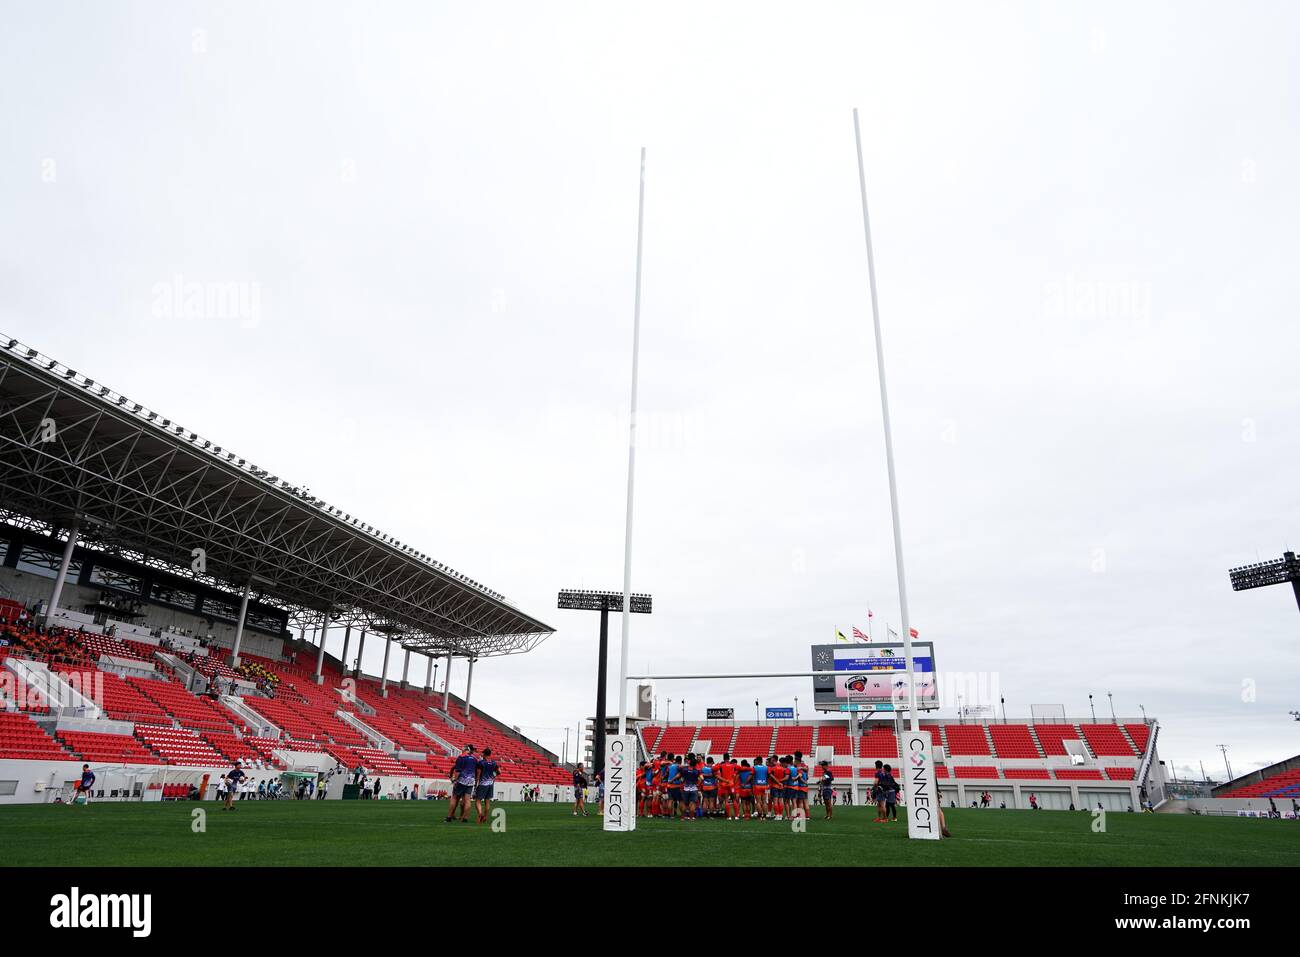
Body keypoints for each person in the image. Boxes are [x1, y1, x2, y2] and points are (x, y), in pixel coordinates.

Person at [445, 746, 477, 822]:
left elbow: (457, 771)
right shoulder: (474, 759)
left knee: (454, 798)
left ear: (464, 750)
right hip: (471, 781)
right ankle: (465, 818)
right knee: (468, 800)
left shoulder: (461, 757)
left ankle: (449, 817)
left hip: (461, 781)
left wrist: (455, 780)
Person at [474, 748, 499, 824]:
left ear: (484, 754)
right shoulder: (494, 763)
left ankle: (480, 814)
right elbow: (499, 771)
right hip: (490, 784)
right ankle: (485, 817)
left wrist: (476, 784)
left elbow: (478, 775)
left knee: (477, 801)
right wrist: (494, 776)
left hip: (482, 784)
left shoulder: (481, 763)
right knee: (487, 802)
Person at [678, 756, 701, 822]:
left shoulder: (684, 770)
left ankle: (683, 817)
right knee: (693, 803)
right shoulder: (696, 771)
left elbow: (681, 776)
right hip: (694, 789)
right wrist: (698, 784)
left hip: (686, 789)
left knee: (684, 804)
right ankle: (691, 818)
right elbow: (701, 778)